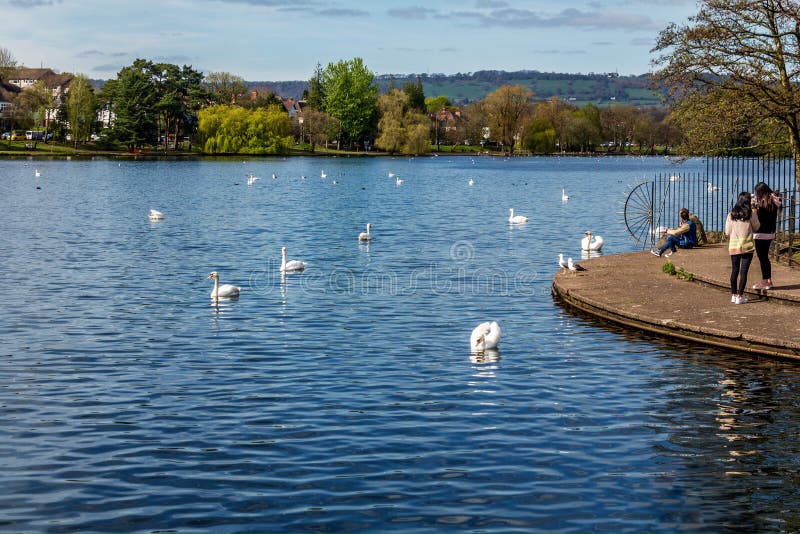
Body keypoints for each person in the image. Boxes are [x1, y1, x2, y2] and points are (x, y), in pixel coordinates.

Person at [725, 192, 760, 304]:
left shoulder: (731, 214)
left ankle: (734, 295)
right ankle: (740, 296)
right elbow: (757, 226)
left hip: (734, 244)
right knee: (744, 271)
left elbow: (727, 232)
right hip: (747, 244)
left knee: (734, 270)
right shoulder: (750, 214)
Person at [752, 182, 782, 290]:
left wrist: (753, 206)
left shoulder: (762, 203)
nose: (757, 194)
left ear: (762, 192)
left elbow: (757, 217)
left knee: (762, 258)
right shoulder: (773, 200)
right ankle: (768, 280)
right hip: (770, 233)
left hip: (760, 233)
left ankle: (765, 281)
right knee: (765, 258)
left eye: (758, 192)